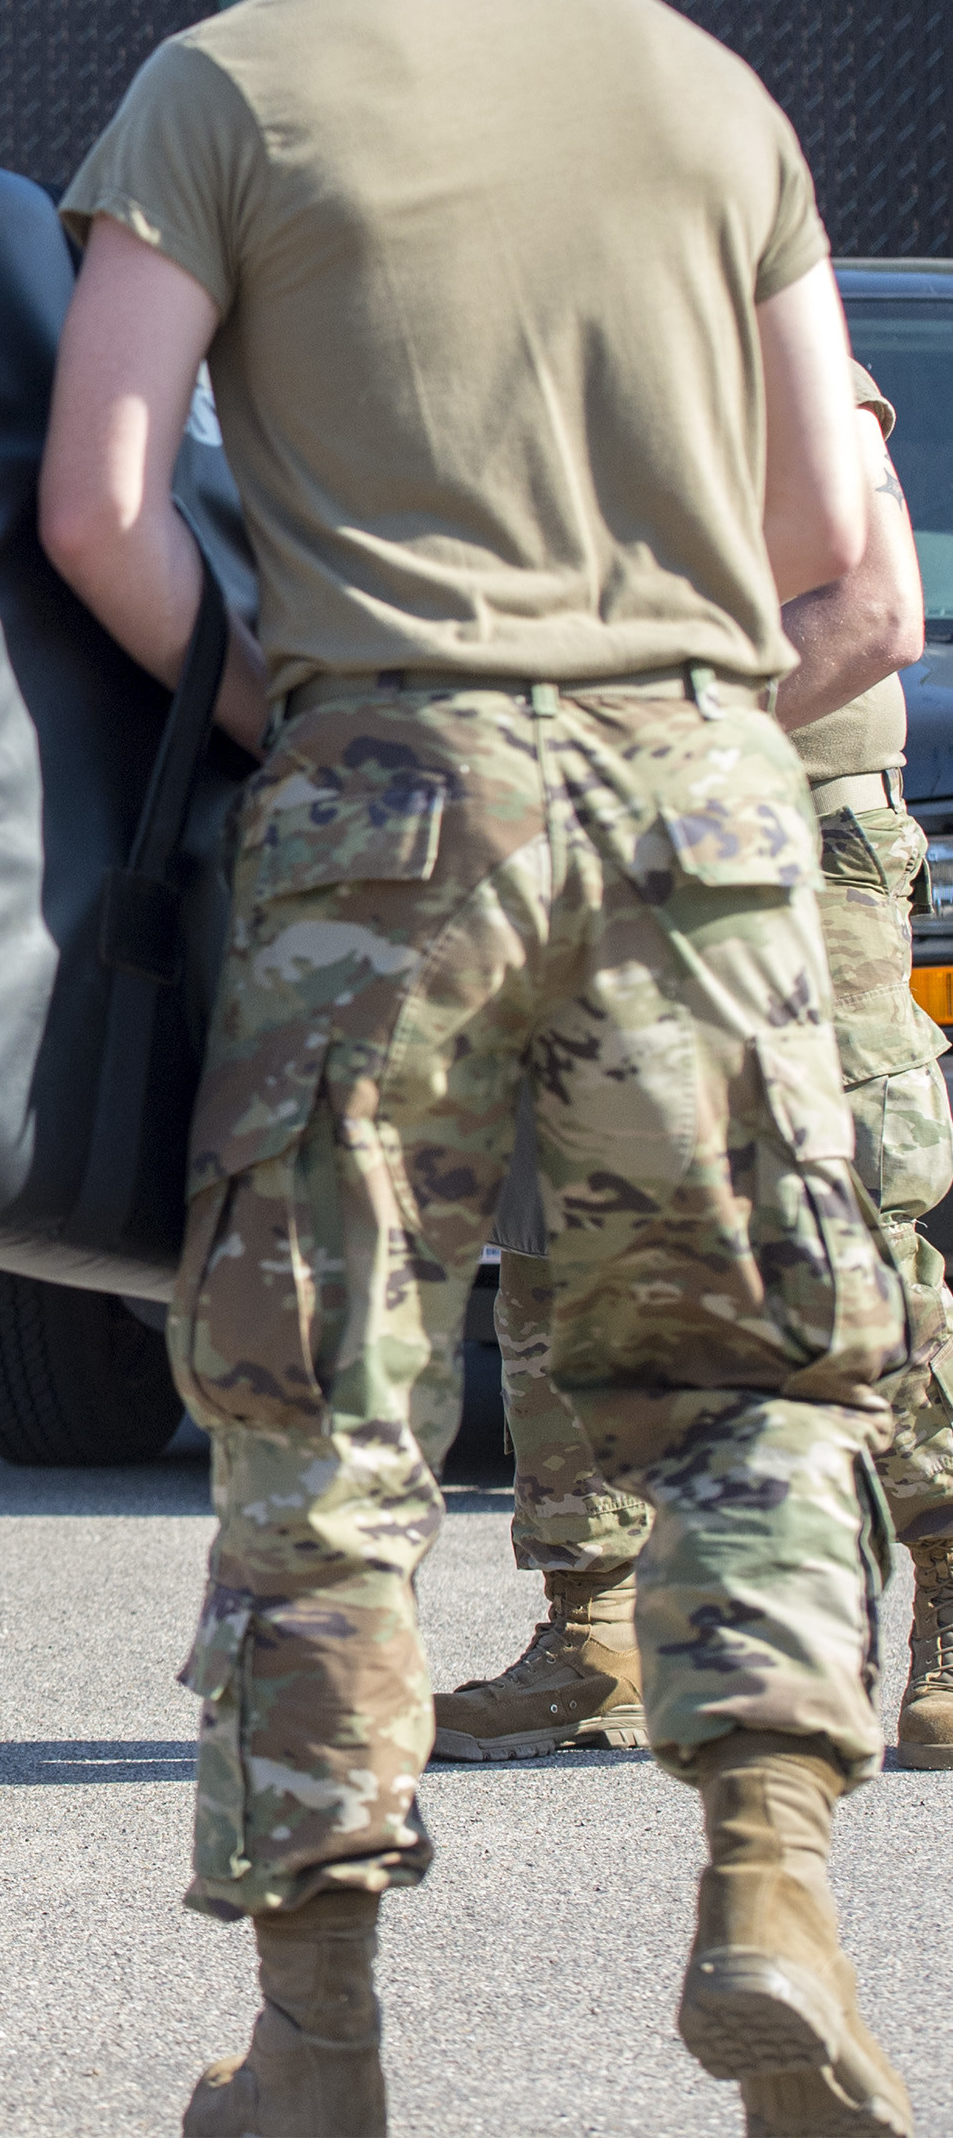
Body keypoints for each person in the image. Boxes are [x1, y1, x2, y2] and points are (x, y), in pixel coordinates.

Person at [38, 0, 911, 2130]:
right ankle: (767, 1893)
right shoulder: (711, 96)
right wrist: (693, 727)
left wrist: (293, 709)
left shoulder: (222, 80)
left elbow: (103, 507)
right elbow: (854, 573)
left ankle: (318, 2048)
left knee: (328, 1419)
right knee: (763, 1376)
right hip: (716, 806)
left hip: (386, 799)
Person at [436, 364, 953, 1776]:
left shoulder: (764, 325)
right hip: (583, 842)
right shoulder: (518, 346)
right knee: (565, 1239)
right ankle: (591, 1629)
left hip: (788, 825)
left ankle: (948, 1612)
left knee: (854, 1221)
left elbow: (872, 612)